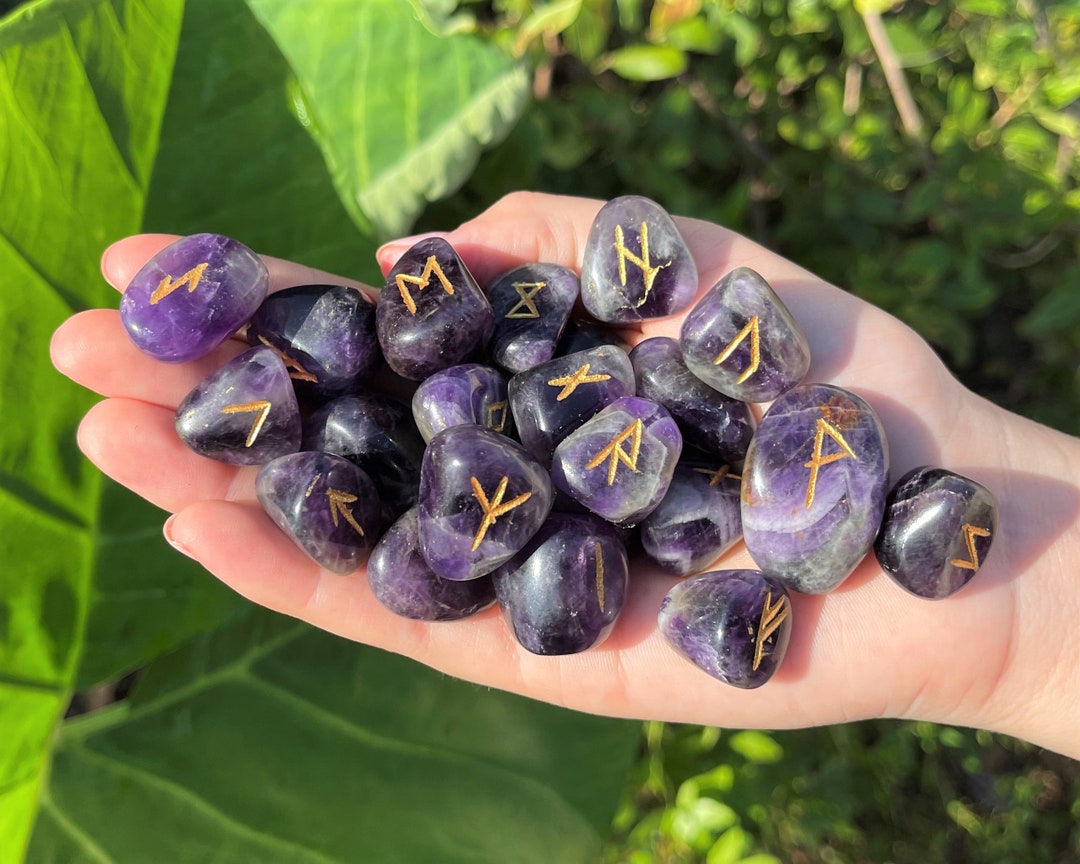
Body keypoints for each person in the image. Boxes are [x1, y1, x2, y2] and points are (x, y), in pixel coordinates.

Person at [49, 191, 1080, 759]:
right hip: (531, 470)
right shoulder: (468, 417)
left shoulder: (656, 416)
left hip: (633, 486)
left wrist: (1029, 626)